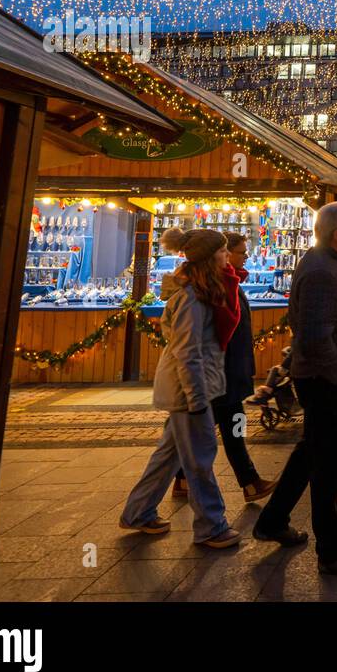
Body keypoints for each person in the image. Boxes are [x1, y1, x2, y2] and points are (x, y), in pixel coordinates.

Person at [252, 201, 337, 580]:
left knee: (311, 453)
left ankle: (273, 520)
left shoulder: (322, 264)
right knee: (328, 466)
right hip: (324, 381)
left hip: (321, 377)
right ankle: (332, 551)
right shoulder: (324, 271)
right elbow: (314, 334)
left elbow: (328, 320)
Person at [119, 229, 241, 549]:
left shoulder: (199, 293)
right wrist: (197, 398)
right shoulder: (192, 299)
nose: (227, 257)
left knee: (168, 456)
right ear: (209, 258)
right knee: (200, 458)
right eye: (223, 252)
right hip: (187, 391)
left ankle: (138, 512)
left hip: (190, 388)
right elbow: (188, 352)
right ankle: (211, 526)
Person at [171, 233, 277, 504]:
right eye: (241, 252)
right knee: (232, 428)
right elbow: (207, 337)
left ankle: (182, 479)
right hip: (223, 372)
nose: (245, 257)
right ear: (224, 254)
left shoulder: (230, 282)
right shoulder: (217, 286)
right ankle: (248, 482)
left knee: (220, 428)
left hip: (231, 370)